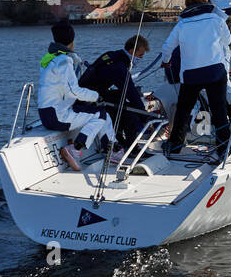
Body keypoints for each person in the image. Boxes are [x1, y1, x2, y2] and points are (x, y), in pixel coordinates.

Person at [37, 21, 118, 170]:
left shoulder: (49, 58)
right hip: (58, 116)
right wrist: (96, 96)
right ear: (72, 41)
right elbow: (72, 91)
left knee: (102, 114)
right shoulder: (63, 61)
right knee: (100, 114)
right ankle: (75, 149)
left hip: (47, 113)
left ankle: (112, 150)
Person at [161, 0, 231, 156]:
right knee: (219, 109)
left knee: (184, 110)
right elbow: (227, 41)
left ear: (187, 6)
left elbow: (167, 47)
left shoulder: (182, 24)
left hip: (191, 76)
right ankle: (224, 147)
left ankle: (176, 145)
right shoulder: (217, 20)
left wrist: (166, 61)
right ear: (204, 2)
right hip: (215, 72)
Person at [78, 34, 150, 149]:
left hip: (86, 94)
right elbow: (131, 92)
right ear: (131, 51)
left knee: (121, 98)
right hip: (88, 100)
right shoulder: (119, 67)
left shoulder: (112, 55)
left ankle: (120, 139)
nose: (140, 59)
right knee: (130, 113)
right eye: (140, 55)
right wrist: (145, 116)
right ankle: (130, 147)